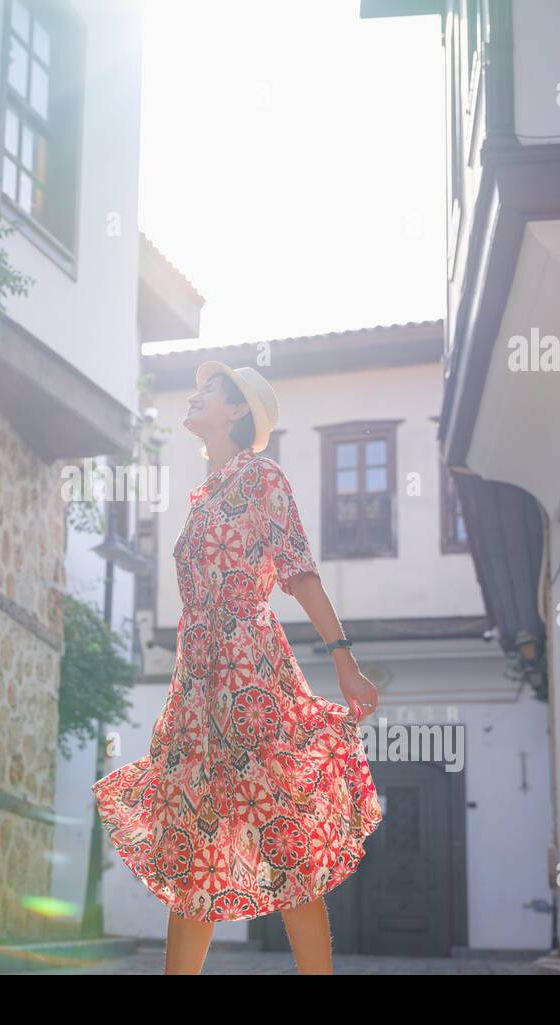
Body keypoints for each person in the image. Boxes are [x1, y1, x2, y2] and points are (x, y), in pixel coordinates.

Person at [92, 361, 383, 975]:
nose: (194, 396)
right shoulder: (204, 497)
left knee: (282, 833)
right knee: (192, 843)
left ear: (236, 411)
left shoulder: (260, 475)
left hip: (248, 671)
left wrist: (345, 662)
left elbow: (298, 572)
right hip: (197, 682)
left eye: (210, 391)